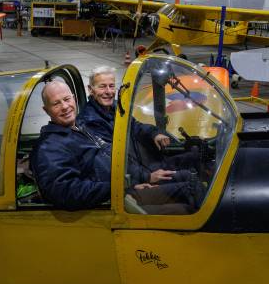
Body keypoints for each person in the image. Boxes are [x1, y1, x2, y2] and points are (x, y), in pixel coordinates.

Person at [31, 79, 178, 211]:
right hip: (111, 205)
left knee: (184, 179)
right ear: (46, 110)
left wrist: (135, 182)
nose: (65, 106)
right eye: (56, 103)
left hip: (126, 190)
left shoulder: (80, 127)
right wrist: (121, 188)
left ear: (74, 99)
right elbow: (66, 193)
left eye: (67, 99)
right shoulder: (48, 147)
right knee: (188, 191)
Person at [78, 66, 200, 185]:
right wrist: (147, 177)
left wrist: (155, 133)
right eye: (102, 87)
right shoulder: (90, 121)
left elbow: (135, 125)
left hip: (144, 163)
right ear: (90, 89)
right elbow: (113, 159)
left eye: (111, 86)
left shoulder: (115, 106)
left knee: (195, 156)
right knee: (188, 178)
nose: (109, 92)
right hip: (136, 176)